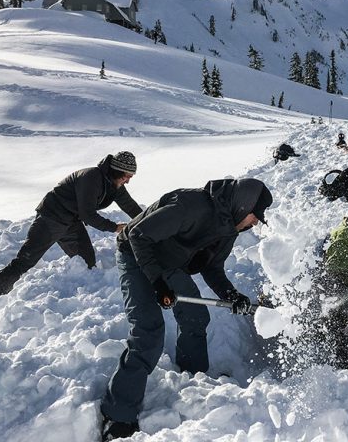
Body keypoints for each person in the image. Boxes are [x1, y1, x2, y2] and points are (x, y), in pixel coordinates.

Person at [100, 178, 273, 440]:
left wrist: (231, 295)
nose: (255, 222)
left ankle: (193, 378)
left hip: (169, 260)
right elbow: (138, 235)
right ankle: (118, 415)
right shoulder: (191, 205)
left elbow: (212, 268)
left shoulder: (229, 227)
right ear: (243, 205)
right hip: (135, 254)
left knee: (195, 317)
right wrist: (157, 283)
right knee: (148, 331)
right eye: (255, 215)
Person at [0, 151, 142, 300]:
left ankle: (82, 297)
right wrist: (114, 227)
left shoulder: (115, 185)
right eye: (126, 176)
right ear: (117, 171)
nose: (127, 181)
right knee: (26, 260)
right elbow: (88, 214)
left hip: (71, 223)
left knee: (87, 262)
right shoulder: (91, 177)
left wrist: (148, 220)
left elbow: (130, 206)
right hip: (51, 218)